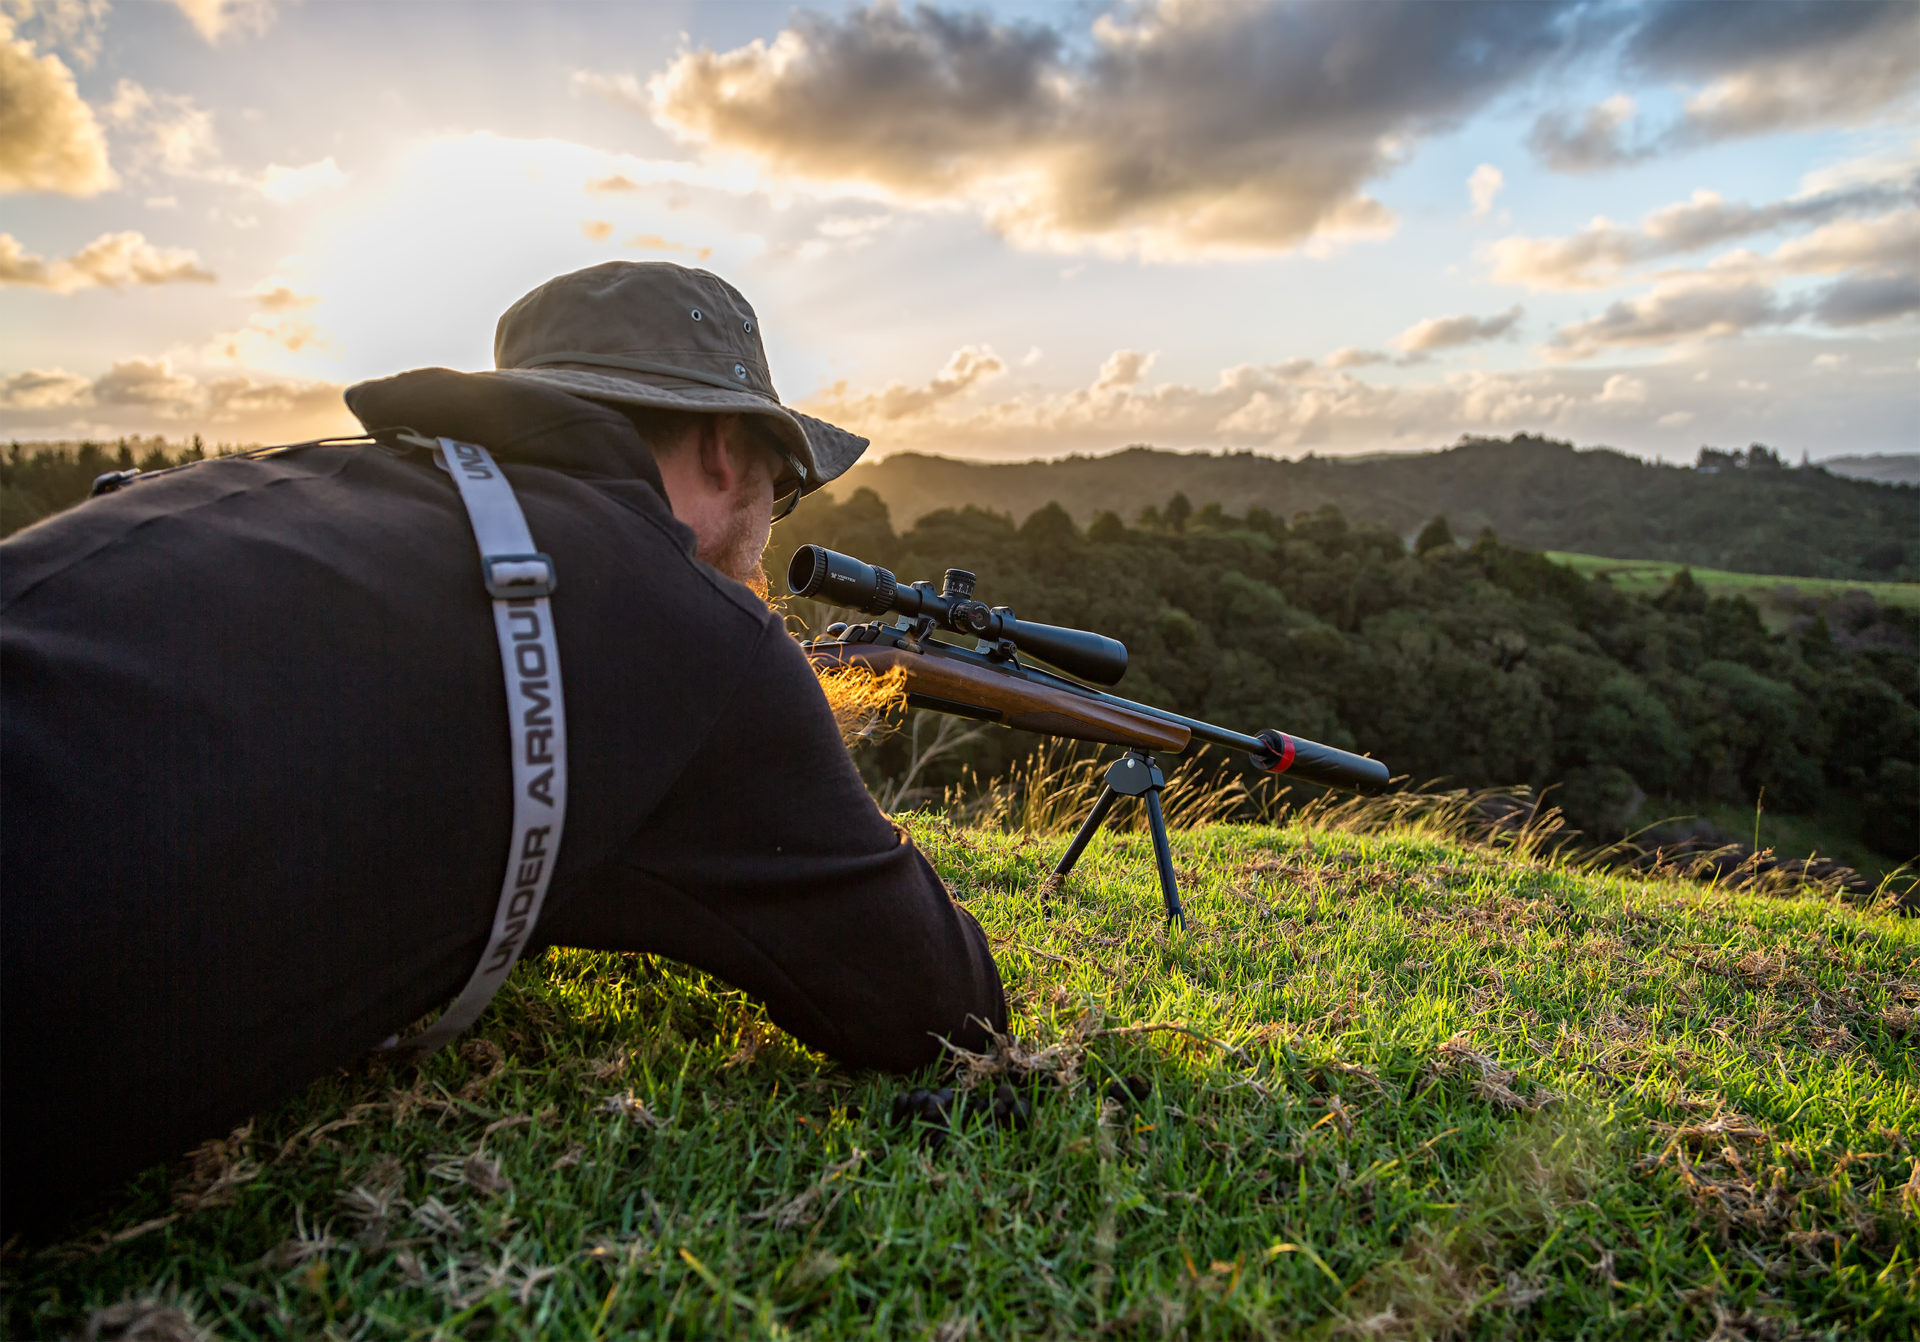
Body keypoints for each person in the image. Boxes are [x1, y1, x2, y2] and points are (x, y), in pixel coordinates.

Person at [0, 262, 1006, 1230]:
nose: (768, 531)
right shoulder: (694, 633)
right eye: (781, 492)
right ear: (720, 447)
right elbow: (941, 1004)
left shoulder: (293, 480)